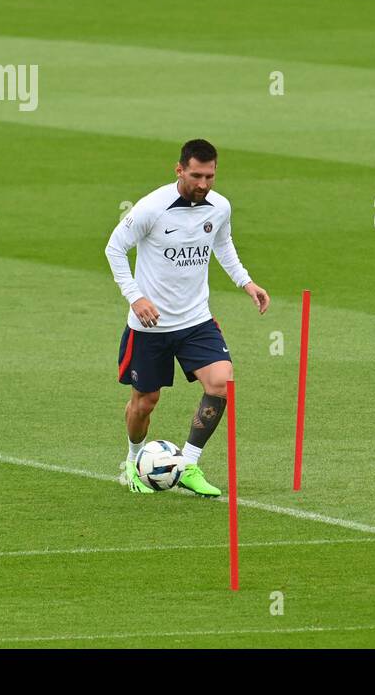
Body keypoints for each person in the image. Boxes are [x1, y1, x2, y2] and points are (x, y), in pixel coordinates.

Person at [105, 139, 270, 495]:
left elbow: (222, 244)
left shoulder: (219, 207)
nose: (203, 184)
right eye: (196, 175)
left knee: (221, 383)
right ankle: (133, 463)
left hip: (196, 320)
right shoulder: (152, 208)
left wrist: (246, 282)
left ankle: (189, 464)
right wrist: (136, 298)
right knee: (145, 403)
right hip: (151, 326)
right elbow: (114, 248)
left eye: (210, 176)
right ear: (179, 170)